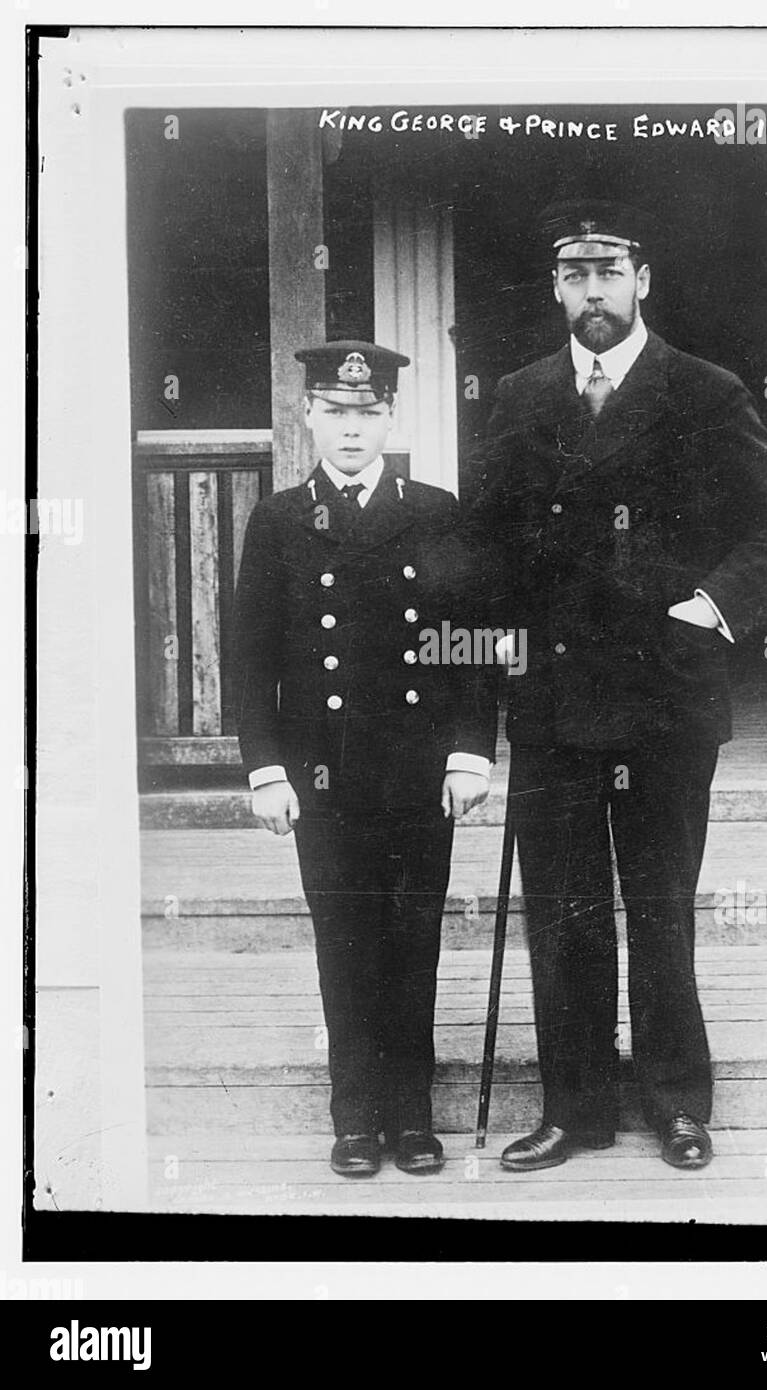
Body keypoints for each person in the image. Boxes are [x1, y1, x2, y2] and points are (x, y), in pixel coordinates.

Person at [464, 201, 767, 1172]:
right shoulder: (521, 393)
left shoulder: (702, 393)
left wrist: (710, 605)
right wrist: (493, 647)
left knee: (660, 909)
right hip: (553, 704)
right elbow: (486, 543)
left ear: (643, 280)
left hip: (667, 699)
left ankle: (677, 1101)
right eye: (575, 274)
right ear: (555, 286)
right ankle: (574, 1111)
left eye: (609, 272)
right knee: (565, 915)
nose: (593, 291)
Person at [234, 340, 496, 1177]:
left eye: (368, 413)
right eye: (335, 413)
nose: (351, 429)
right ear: (309, 414)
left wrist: (469, 751)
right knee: (343, 939)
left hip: (419, 772)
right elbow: (249, 656)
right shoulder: (278, 518)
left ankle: (412, 1116)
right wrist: (265, 767)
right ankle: (354, 1118)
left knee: (414, 938)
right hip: (321, 776)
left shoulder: (434, 510)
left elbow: (472, 641)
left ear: (391, 417)